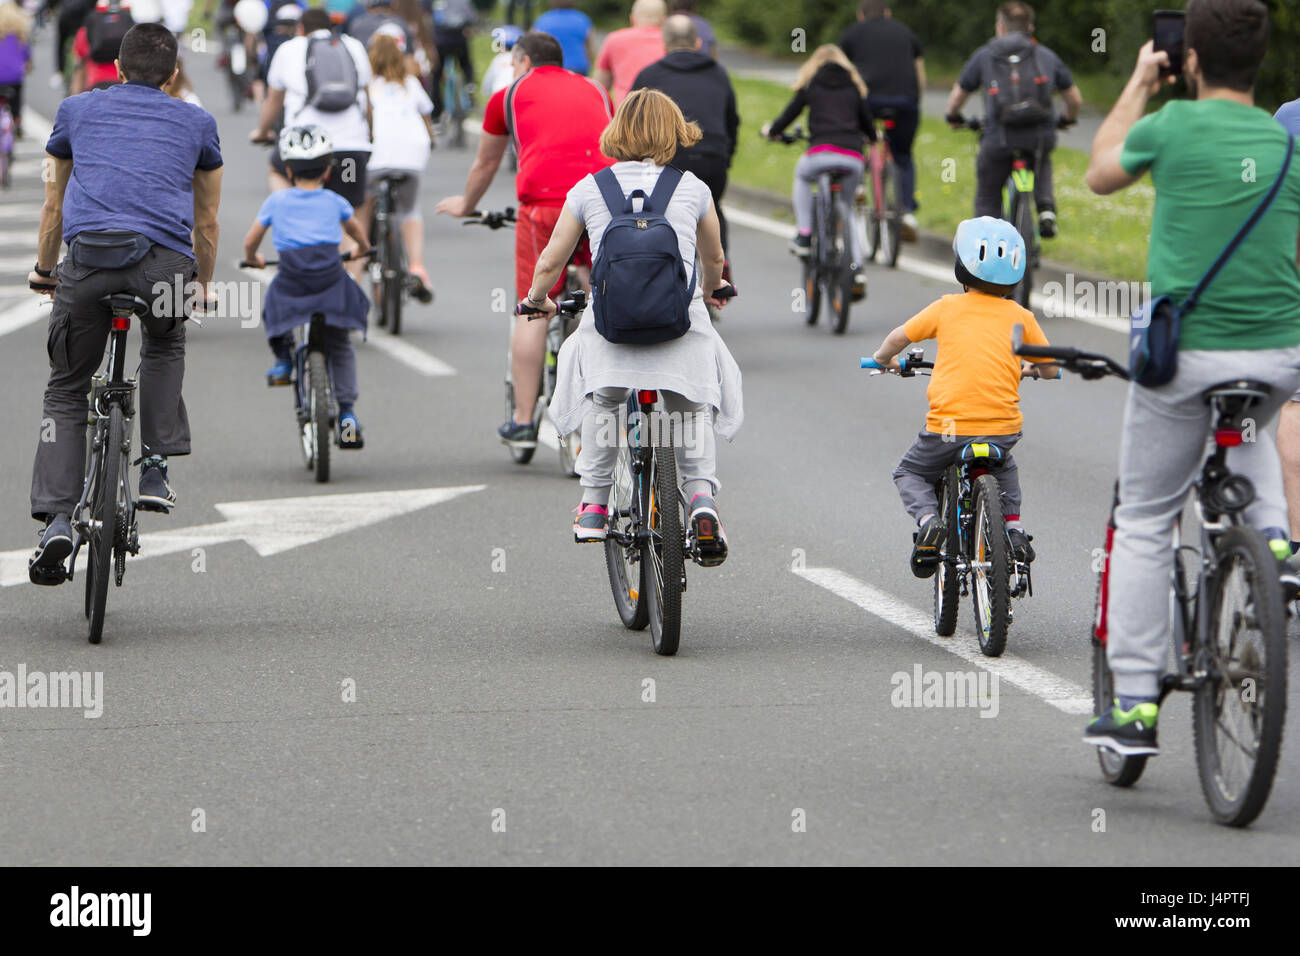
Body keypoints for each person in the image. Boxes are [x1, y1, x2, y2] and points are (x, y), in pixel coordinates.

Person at [1082, 0, 1300, 757]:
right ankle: (1273, 545)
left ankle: (1137, 705)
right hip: (1279, 353)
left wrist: (1141, 84)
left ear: (1191, 60)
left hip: (1187, 357)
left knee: (1145, 516)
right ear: (1260, 62)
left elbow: (1100, 174)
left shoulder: (1170, 126)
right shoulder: (1284, 144)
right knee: (1254, 427)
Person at [26, 23, 223, 583]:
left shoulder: (76, 111)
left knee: (65, 389)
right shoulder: (197, 122)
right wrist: (201, 283)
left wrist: (46, 271)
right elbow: (207, 220)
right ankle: (156, 468)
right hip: (161, 266)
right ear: (175, 75)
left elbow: (54, 204)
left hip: (88, 264)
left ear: (115, 68)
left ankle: (58, 519)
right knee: (164, 341)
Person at [527, 88, 741, 561]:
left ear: (616, 131)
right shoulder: (694, 189)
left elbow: (551, 260)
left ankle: (594, 506)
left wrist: (536, 300)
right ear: (674, 134)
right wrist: (710, 289)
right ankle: (702, 500)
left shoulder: (589, 188)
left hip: (612, 331)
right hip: (678, 329)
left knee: (603, 399)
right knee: (690, 410)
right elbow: (715, 258)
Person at [435, 30, 612, 450]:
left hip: (547, 206)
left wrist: (466, 204)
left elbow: (486, 162)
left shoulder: (509, 96)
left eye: (513, 64)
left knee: (533, 308)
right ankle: (614, 390)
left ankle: (523, 420)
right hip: (604, 198)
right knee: (601, 296)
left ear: (523, 62)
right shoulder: (596, 89)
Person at [868, 216, 1056, 577]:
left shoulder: (946, 308)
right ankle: (1014, 529)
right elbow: (1048, 366)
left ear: (960, 266)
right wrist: (1035, 370)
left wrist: (882, 360)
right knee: (1005, 469)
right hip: (1002, 429)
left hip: (948, 429)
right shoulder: (1022, 317)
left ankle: (928, 521)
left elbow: (898, 338)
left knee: (910, 472)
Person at [245, 125, 371, 444]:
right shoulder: (335, 201)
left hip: (293, 280)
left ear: (288, 171)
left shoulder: (277, 201)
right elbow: (359, 237)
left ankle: (284, 359)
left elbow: (251, 241)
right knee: (340, 344)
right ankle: (347, 414)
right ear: (329, 170)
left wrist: (254, 257)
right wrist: (359, 251)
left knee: (272, 309)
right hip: (329, 279)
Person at [251, 7, 372, 277]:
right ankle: (350, 282)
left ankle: (292, 217)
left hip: (304, 148)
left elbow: (274, 99)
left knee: (276, 169)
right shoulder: (353, 46)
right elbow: (367, 97)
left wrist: (261, 130)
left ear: (300, 29)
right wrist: (369, 137)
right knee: (354, 208)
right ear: (333, 27)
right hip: (350, 150)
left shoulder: (289, 49)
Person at [945, 1, 1081, 239]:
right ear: (1030, 27)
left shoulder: (985, 55)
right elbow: (1074, 100)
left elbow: (958, 96)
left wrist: (953, 116)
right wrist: (1066, 120)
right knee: (1041, 159)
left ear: (1000, 26)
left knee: (988, 194)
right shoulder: (1046, 56)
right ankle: (1046, 208)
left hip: (999, 139)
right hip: (1039, 136)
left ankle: (987, 238)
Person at [763, 44, 875, 300]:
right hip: (852, 159)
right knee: (848, 211)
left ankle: (804, 235)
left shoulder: (812, 84)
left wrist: (773, 131)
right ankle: (856, 269)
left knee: (802, 176)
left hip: (819, 155)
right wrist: (871, 136)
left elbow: (788, 115)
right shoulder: (853, 87)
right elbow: (868, 126)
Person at [631, 15, 737, 267]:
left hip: (667, 160)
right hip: (712, 159)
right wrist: (725, 157)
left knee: (656, 214)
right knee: (712, 206)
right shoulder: (719, 74)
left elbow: (633, 124)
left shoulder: (649, 74)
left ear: (664, 43)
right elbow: (732, 121)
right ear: (698, 42)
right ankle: (721, 265)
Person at [839, 0, 923, 239]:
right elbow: (920, 73)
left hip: (868, 101)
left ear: (860, 16)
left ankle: (858, 184)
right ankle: (906, 210)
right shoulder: (906, 32)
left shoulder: (852, 33)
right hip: (905, 102)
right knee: (904, 155)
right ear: (888, 13)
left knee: (856, 137)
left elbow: (841, 71)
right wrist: (916, 101)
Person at [366, 29, 435, 299]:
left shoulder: (368, 85)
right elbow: (427, 118)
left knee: (363, 207)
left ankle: (357, 267)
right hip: (413, 155)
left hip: (378, 155)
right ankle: (417, 268)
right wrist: (431, 140)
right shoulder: (411, 83)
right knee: (410, 210)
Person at [593, 0, 664, 108]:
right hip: (662, 112)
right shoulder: (669, 42)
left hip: (625, 111)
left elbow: (599, 86)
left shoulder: (614, 39)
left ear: (632, 18)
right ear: (664, 20)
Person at [70, 0, 130, 94]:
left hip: (96, 86)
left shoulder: (85, 31)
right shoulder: (133, 30)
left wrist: (73, 101)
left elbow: (79, 69)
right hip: (125, 85)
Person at [430, 0, 474, 120]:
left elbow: (427, 17)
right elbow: (470, 17)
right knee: (466, 64)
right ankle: (470, 85)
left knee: (436, 77)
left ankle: (436, 112)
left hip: (440, 42)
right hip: (459, 40)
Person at [531, 0, 592, 75]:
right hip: (578, 69)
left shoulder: (542, 20)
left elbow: (532, 47)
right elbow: (589, 48)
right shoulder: (583, 19)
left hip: (550, 68)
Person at [0, 2, 31, 138]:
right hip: (14, 78)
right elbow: (27, 59)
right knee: (16, 99)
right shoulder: (20, 36)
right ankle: (17, 121)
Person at [480, 23, 520, 97]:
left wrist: (486, 92)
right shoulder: (521, 60)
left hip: (498, 95)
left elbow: (487, 83)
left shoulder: (498, 59)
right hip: (517, 95)